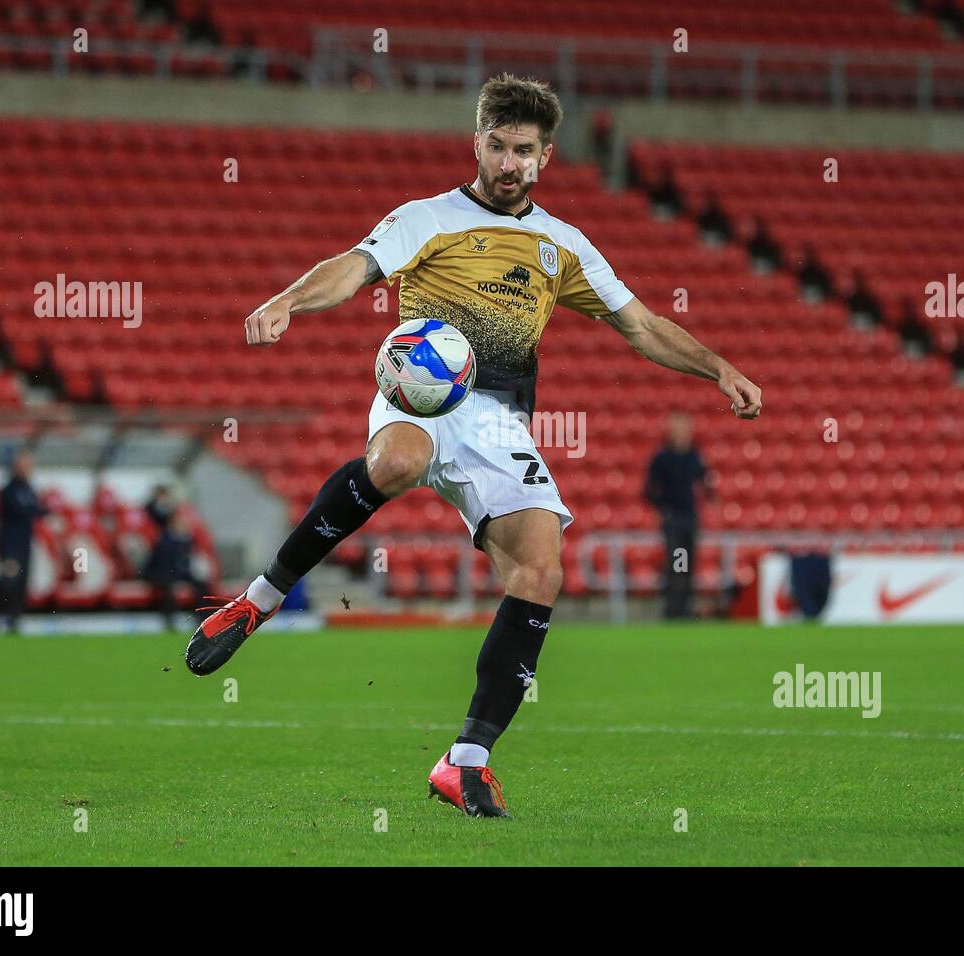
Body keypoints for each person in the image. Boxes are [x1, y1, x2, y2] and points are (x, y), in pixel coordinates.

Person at [183, 73, 764, 817]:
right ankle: (257, 602)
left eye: (525, 149)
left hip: (499, 420)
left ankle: (465, 761)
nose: (510, 161)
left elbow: (642, 326)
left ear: (546, 156)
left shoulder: (564, 245)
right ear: (478, 143)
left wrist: (719, 368)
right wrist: (288, 301)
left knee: (542, 570)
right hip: (422, 388)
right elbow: (353, 268)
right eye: (498, 145)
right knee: (396, 462)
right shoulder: (427, 217)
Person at [645, 412, 713, 620]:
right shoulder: (662, 457)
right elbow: (648, 490)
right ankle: (674, 609)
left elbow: (705, 482)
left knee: (687, 563)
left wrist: (708, 492)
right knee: (677, 562)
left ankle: (683, 606)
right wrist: (664, 508)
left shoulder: (694, 455)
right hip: (674, 520)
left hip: (689, 518)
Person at [0, 451, 46, 633]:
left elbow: (38, 509)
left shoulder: (28, 489)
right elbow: (26, 510)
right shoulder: (10, 490)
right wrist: (38, 510)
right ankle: (4, 617)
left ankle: (16, 619)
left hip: (25, 543)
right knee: (10, 581)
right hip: (10, 544)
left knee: (22, 583)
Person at [144, 510, 204, 630]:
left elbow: (185, 562)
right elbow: (162, 563)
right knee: (168, 588)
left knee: (201, 585)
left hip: (176, 572)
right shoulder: (164, 540)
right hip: (161, 572)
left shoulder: (185, 540)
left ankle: (201, 618)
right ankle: (169, 620)